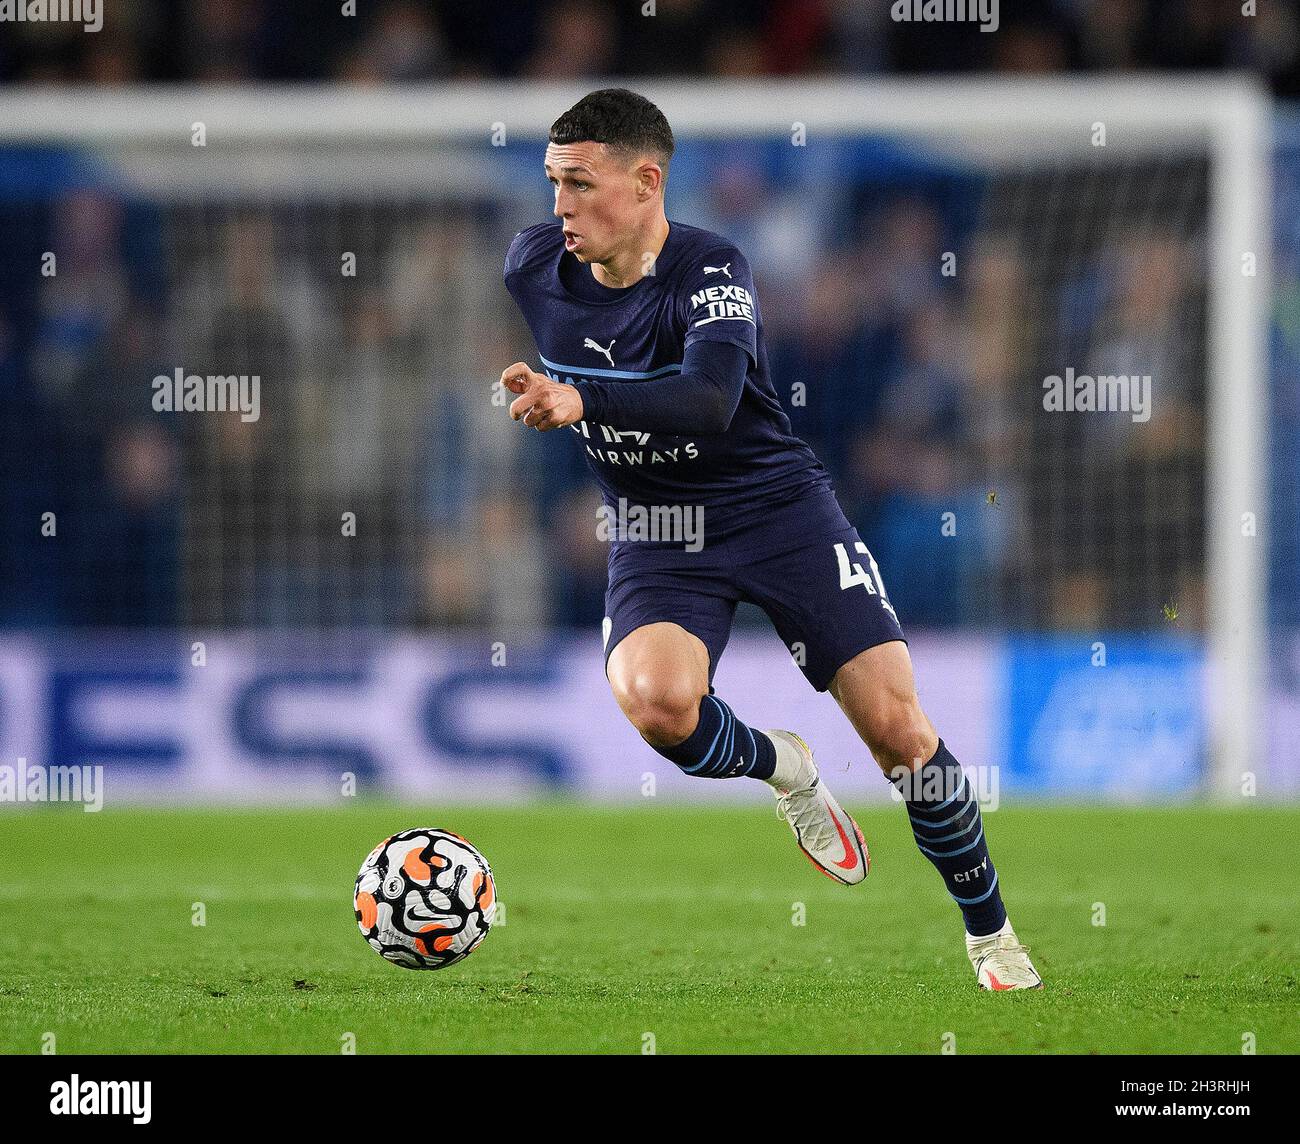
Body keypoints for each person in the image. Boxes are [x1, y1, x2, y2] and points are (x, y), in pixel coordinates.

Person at [500, 88, 1041, 990]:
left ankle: (991, 934)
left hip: (774, 510)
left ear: (646, 181)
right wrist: (537, 390)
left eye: (579, 184)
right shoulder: (531, 268)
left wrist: (582, 400)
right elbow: (569, 374)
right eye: (553, 182)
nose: (559, 206)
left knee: (900, 734)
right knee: (659, 706)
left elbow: (710, 401)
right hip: (658, 530)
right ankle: (785, 766)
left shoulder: (714, 269)